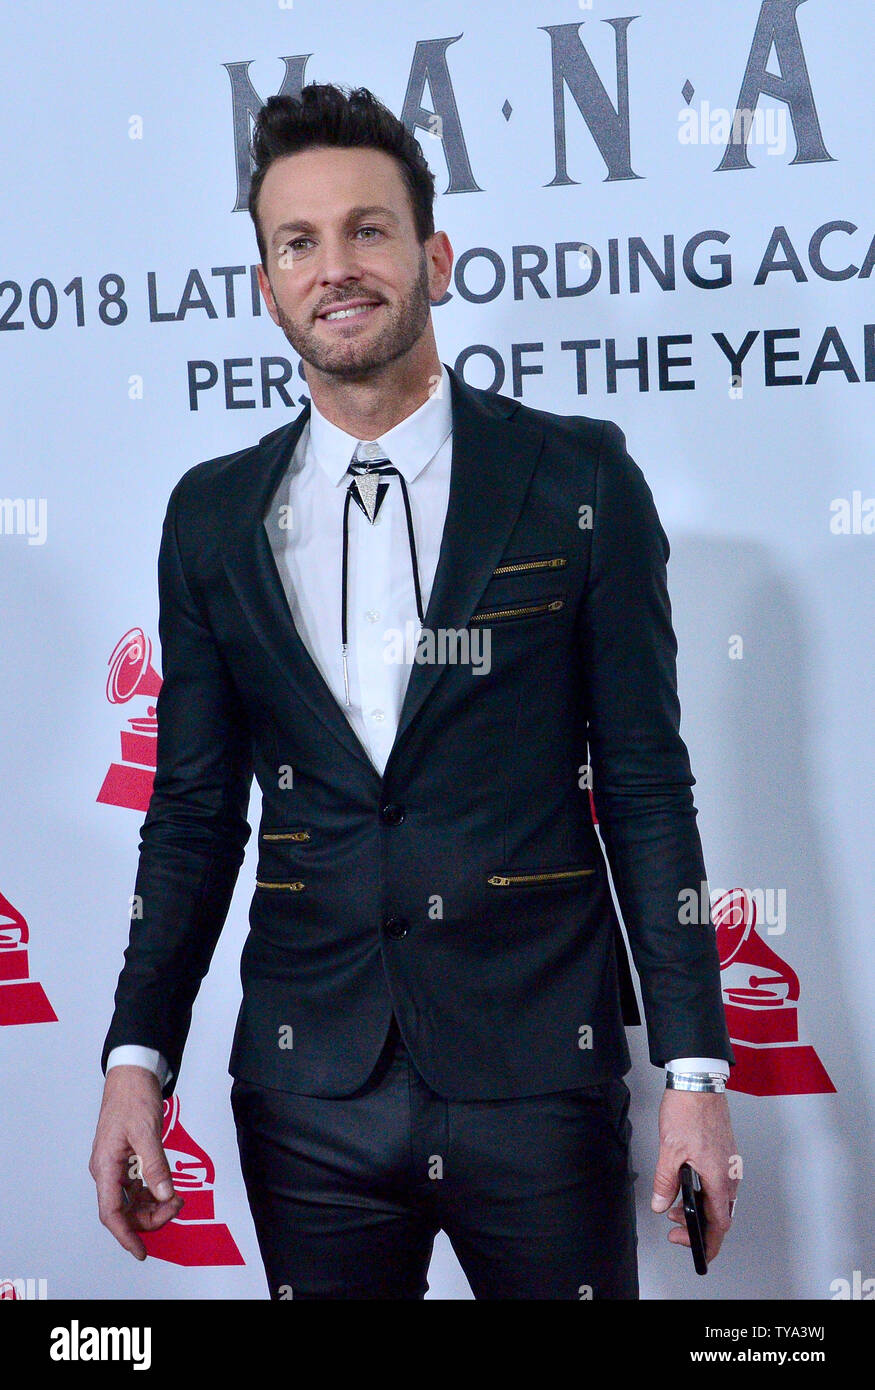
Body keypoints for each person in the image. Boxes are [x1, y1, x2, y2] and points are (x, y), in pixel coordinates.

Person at [90, 83, 738, 1300]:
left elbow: (647, 789)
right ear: (266, 287)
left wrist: (695, 1076)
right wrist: (138, 1060)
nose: (336, 267)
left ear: (434, 256)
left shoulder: (576, 478)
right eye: (299, 243)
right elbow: (187, 813)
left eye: (368, 230)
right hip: (306, 1092)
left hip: (538, 1074)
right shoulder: (211, 516)